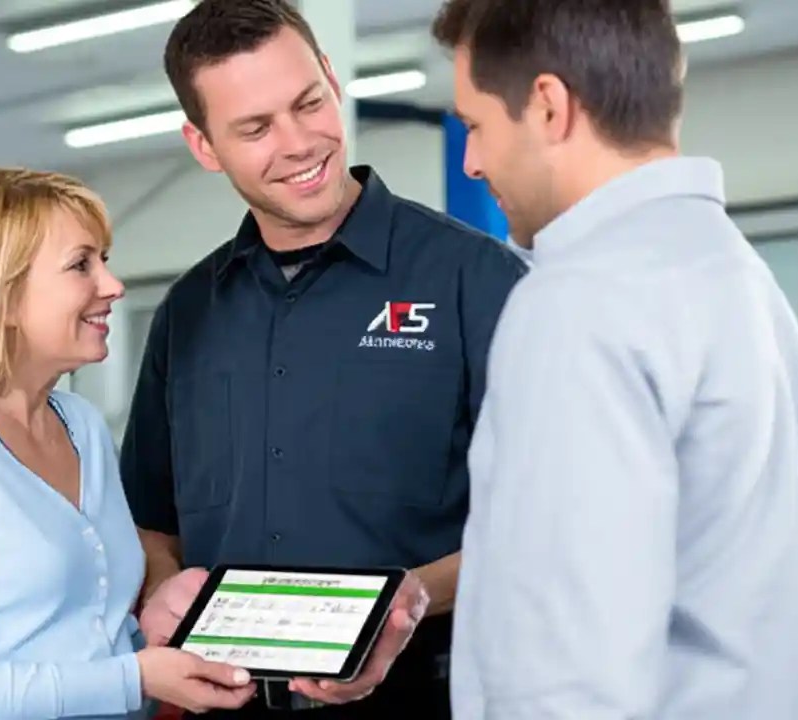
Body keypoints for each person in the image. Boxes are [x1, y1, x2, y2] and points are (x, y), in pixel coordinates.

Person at [119, 1, 527, 716]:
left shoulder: (477, 281)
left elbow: (547, 516)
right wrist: (161, 586)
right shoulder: (187, 314)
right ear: (204, 145)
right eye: (255, 128)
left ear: (333, 80)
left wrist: (408, 601)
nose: (300, 143)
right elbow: (154, 519)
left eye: (309, 103)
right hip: (227, 704)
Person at [430, 0, 798, 717]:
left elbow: (564, 678)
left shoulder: (579, 301)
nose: (472, 162)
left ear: (548, 107)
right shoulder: (736, 274)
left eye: (475, 125)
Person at [0, 168, 257, 719]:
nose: (113, 286)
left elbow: (94, 636)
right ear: (0, 295)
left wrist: (181, 622)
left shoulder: (80, 424)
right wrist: (136, 678)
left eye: (104, 260)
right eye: (80, 265)